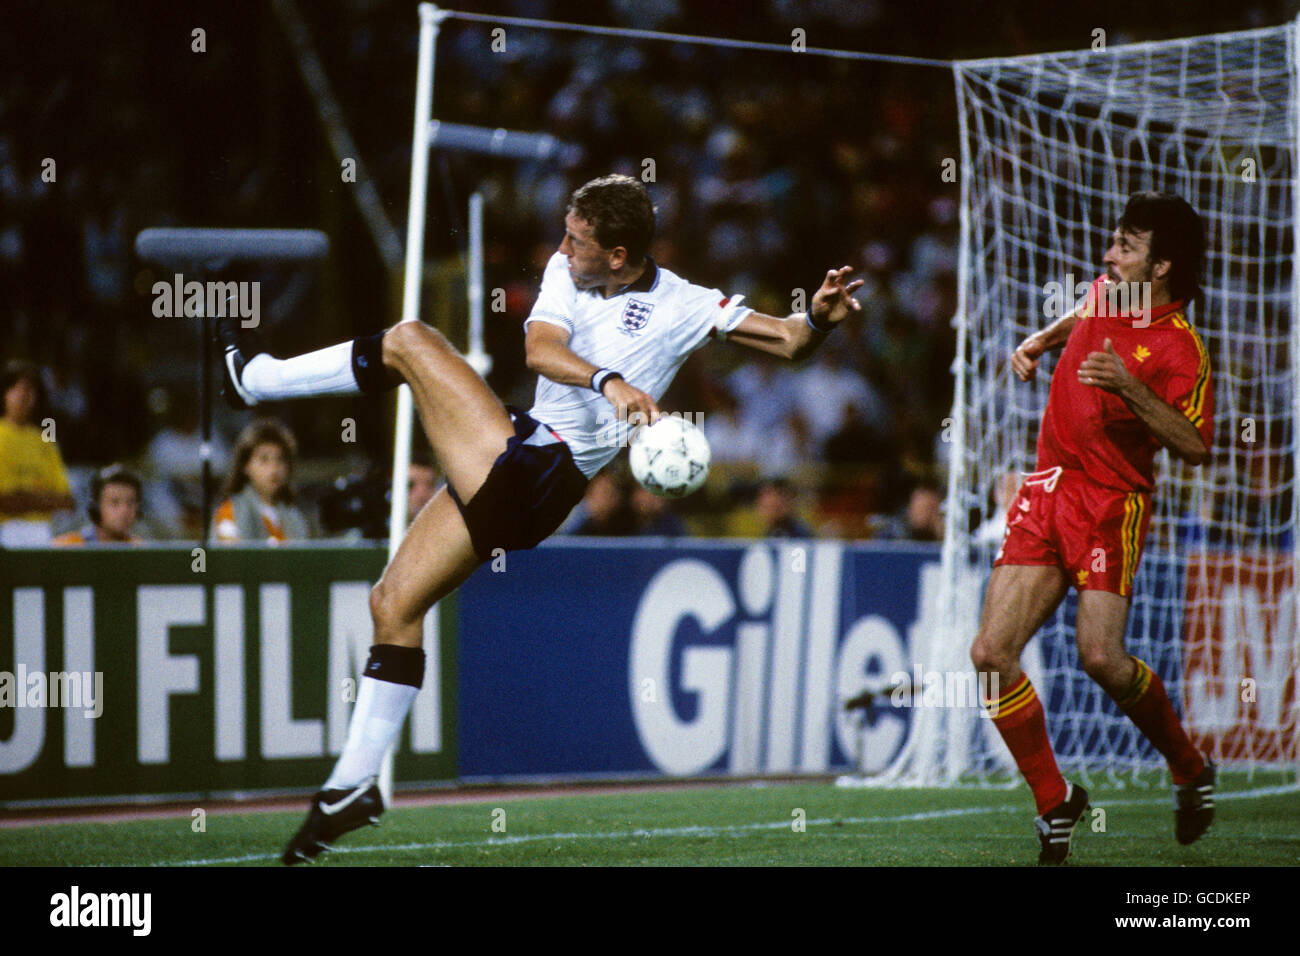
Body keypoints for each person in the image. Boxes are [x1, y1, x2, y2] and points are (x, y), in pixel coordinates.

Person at [217, 173, 864, 863]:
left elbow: (789, 341)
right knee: (393, 603)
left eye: (578, 239)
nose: (561, 246)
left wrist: (819, 317)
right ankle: (352, 788)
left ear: (618, 255)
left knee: (410, 341)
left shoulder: (685, 305)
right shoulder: (565, 271)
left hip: (537, 477)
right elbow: (540, 350)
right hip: (517, 460)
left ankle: (254, 381)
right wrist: (609, 382)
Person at [969, 192, 1215, 864]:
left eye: (1126, 246)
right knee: (990, 656)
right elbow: (1092, 298)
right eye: (1113, 241)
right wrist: (1042, 339)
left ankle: (1189, 767)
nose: (1108, 256)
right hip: (1047, 487)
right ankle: (1055, 801)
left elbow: (1195, 446)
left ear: (1161, 265)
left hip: (1111, 504)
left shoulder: (1181, 351)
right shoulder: (1112, 292)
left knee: (1101, 660)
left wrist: (1130, 389)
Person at [0, 360, 75, 546]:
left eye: (30, 390)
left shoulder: (46, 439)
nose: (24, 395)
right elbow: (5, 501)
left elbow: (67, 501)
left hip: (43, 531)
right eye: (17, 388)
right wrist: (43, 500)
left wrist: (24, 499)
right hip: (5, 530)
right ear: (5, 394)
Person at [211, 419, 311, 544]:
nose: (274, 468)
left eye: (280, 459)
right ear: (245, 465)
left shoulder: (294, 516)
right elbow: (230, 559)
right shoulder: (229, 512)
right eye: (264, 460)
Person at [53, 464, 143, 545]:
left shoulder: (142, 550)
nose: (124, 510)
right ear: (96, 507)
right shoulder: (67, 547)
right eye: (114, 502)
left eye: (130, 503)